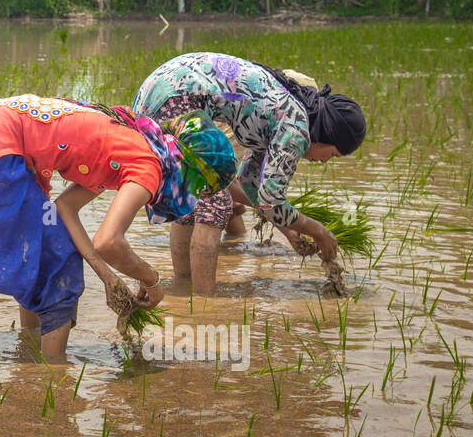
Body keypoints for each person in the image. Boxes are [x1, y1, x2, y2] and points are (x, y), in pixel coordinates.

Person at [0, 94, 237, 358]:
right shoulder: (150, 165)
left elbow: (65, 208)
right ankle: (54, 379)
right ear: (191, 168)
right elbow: (109, 242)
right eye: (201, 188)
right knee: (59, 270)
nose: (195, 196)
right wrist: (153, 281)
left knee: (40, 259)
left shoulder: (132, 143)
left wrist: (108, 278)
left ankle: (31, 356)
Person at [133, 52, 366, 294]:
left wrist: (288, 230)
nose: (325, 161)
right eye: (333, 154)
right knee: (217, 202)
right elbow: (271, 202)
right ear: (328, 133)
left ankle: (183, 287)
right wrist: (321, 232)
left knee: (196, 192)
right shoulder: (296, 128)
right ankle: (204, 304)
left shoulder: (282, 115)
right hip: (175, 99)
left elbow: (251, 187)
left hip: (157, 92)